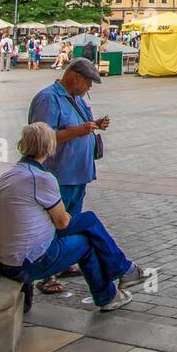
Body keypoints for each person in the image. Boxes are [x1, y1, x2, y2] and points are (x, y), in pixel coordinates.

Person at [0, 122, 148, 312]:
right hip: (26, 261)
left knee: (88, 220)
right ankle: (109, 293)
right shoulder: (41, 178)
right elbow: (62, 221)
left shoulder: (10, 174)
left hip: (6, 257)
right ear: (50, 147)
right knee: (86, 241)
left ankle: (124, 271)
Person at [27, 57, 108, 293]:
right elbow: (42, 136)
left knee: (69, 222)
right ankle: (46, 274)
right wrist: (78, 131)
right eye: (88, 83)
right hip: (58, 175)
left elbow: (81, 125)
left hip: (78, 174)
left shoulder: (76, 99)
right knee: (51, 224)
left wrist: (95, 124)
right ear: (75, 78)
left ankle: (63, 262)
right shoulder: (48, 98)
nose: (89, 88)